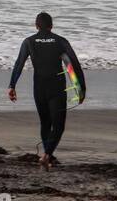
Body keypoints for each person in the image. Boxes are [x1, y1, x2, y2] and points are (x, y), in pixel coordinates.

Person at [8, 11, 85, 169]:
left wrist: (12, 86)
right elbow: (73, 65)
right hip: (56, 88)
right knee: (58, 125)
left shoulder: (29, 41)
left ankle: (47, 154)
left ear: (36, 26)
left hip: (39, 88)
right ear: (51, 26)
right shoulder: (60, 41)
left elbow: (19, 64)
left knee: (45, 123)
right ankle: (47, 155)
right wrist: (81, 88)